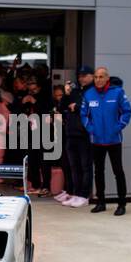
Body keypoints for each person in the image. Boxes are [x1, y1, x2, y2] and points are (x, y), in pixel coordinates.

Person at [82, 66, 131, 215]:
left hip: (114, 140)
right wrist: (91, 129)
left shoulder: (118, 93)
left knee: (118, 172)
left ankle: (122, 204)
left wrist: (118, 127)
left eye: (101, 77)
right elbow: (84, 114)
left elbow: (127, 111)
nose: (98, 80)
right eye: (96, 77)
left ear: (107, 79)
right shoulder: (88, 94)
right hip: (96, 141)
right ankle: (101, 202)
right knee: (98, 172)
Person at [59, 67, 94, 207]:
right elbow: (62, 108)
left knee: (85, 166)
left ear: (92, 76)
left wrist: (78, 107)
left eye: (85, 75)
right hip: (71, 132)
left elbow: (94, 108)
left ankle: (84, 195)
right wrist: (66, 95)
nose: (81, 78)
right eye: (80, 75)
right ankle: (75, 193)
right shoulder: (75, 91)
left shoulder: (93, 92)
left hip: (85, 134)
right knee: (74, 166)